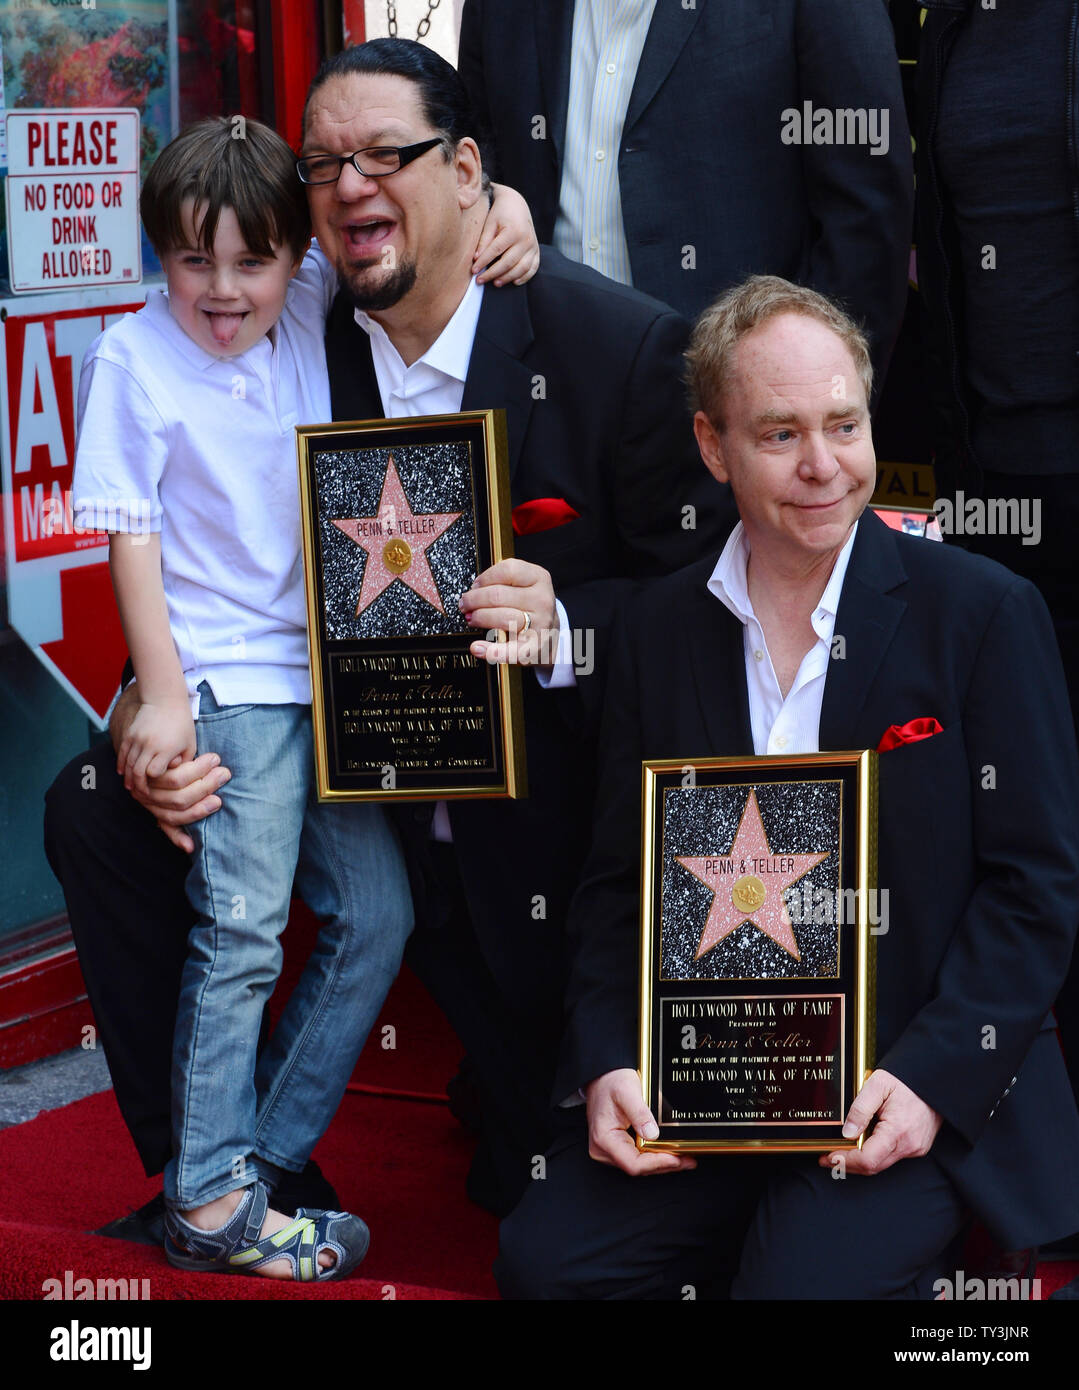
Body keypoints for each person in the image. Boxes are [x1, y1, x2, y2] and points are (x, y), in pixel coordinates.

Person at [45, 37, 736, 1227]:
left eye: (387, 155)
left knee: (538, 1204)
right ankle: (213, 1172)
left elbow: (699, 602)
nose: (353, 183)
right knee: (97, 803)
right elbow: (191, 531)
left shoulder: (608, 346)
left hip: (534, 818)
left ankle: (494, 1081)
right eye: (326, 164)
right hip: (325, 746)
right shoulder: (284, 318)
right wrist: (140, 710)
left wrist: (565, 623)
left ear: (465, 170)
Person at [496, 276, 1079, 1298]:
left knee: (795, 1289)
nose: (822, 467)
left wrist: (929, 1081)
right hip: (705, 1082)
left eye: (842, 426)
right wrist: (609, 1063)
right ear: (713, 446)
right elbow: (613, 887)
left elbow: (1033, 887)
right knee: (544, 1269)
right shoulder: (652, 630)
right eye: (778, 436)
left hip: (898, 1078)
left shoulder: (982, 613)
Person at [71, 117, 419, 1281]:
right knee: (244, 929)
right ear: (157, 253)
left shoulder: (313, 301)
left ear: (288, 256)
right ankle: (215, 1194)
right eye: (191, 260)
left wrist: (508, 210)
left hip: (331, 671)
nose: (222, 291)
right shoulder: (135, 357)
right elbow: (129, 532)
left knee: (375, 917)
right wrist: (158, 698)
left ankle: (237, 1169)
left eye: (250, 261)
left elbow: (379, 226)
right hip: (225, 680)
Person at [457, 0, 913, 384]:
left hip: (740, 405)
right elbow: (473, 156)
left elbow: (865, 215)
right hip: (545, 399)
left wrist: (819, 400)